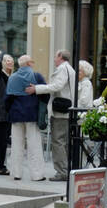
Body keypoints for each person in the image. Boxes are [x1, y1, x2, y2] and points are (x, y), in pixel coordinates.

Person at [28, 49, 75, 181]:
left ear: (60, 57)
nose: (54, 59)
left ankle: (62, 172)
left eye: (55, 56)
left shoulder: (62, 68)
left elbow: (57, 86)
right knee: (63, 142)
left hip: (60, 112)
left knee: (58, 142)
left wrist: (37, 89)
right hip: (66, 110)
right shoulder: (70, 69)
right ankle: (65, 170)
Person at [6, 55, 47, 181]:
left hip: (16, 115)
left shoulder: (12, 78)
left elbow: (7, 99)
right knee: (34, 145)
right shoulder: (36, 76)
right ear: (29, 63)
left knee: (17, 145)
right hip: (32, 115)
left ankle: (16, 173)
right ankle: (37, 175)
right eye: (32, 61)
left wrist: (11, 111)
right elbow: (45, 94)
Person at [0, 53, 14, 175]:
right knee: (2, 141)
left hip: (10, 113)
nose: (10, 62)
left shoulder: (12, 76)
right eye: (7, 61)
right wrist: (0, 56)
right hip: (2, 112)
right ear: (3, 63)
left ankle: (2, 165)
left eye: (11, 60)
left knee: (5, 140)